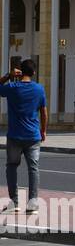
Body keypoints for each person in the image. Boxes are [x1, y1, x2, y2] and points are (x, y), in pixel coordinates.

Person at [0, 60, 47, 213]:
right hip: (33, 136)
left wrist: (8, 75)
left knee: (12, 167)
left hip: (14, 136)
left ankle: (14, 202)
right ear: (33, 72)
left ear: (20, 72)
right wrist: (43, 130)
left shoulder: (12, 87)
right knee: (33, 168)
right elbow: (44, 112)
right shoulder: (39, 89)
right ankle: (32, 204)